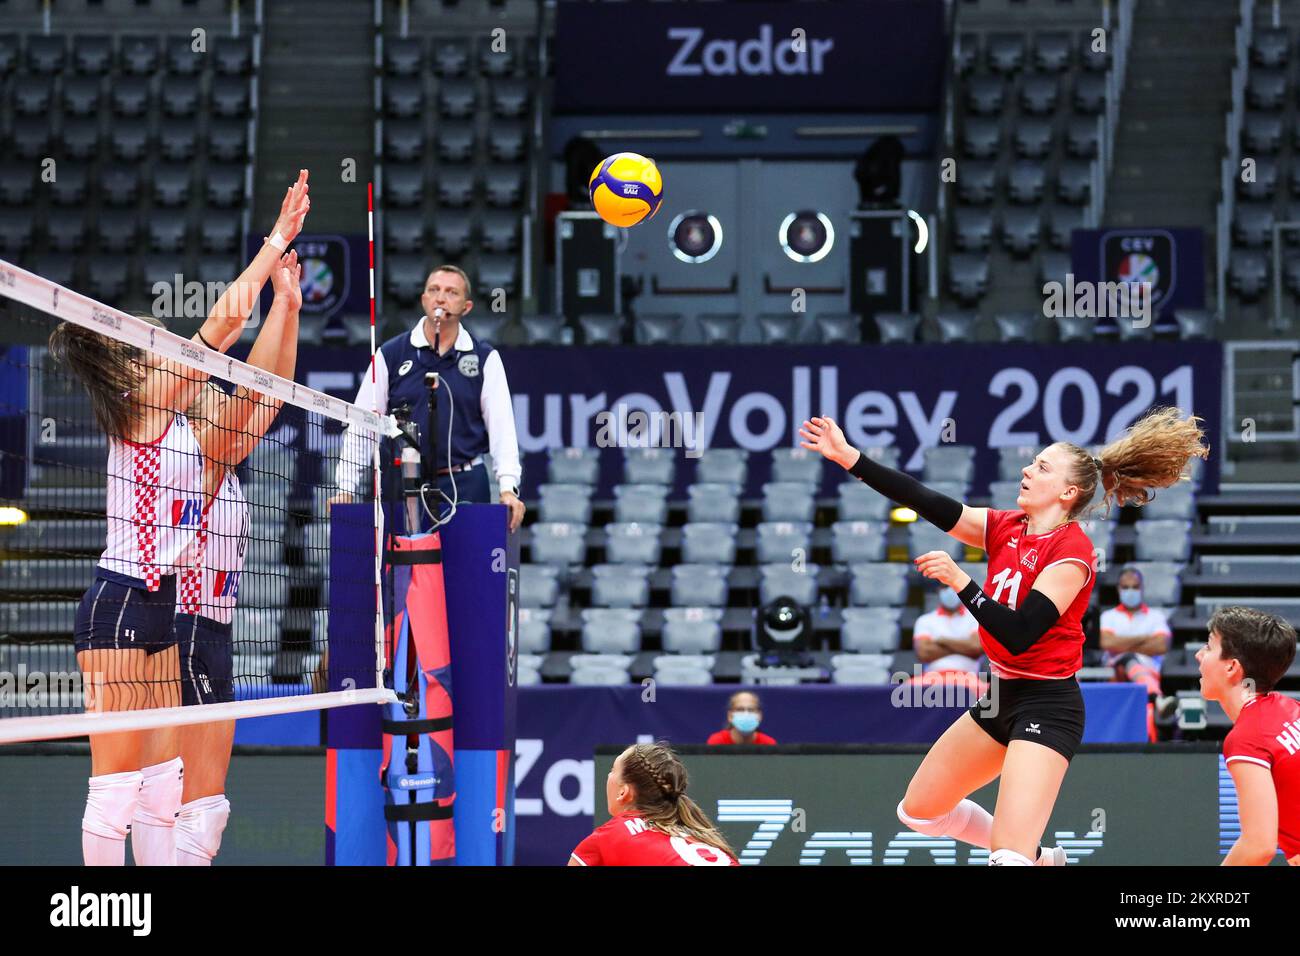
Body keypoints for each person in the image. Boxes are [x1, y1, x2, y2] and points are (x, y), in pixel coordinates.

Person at [800, 407, 1208, 866]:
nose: (1027, 470)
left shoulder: (1072, 551)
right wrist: (851, 458)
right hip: (1001, 697)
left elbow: (1020, 634)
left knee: (1005, 859)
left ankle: (1019, 853)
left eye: (1042, 467)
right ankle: (1037, 856)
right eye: (1032, 463)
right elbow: (925, 499)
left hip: (1048, 705)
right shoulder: (1007, 527)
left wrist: (962, 582)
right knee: (918, 813)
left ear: (1068, 492)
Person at [50, 170, 310, 866]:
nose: (163, 347)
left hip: (163, 604)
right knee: (117, 794)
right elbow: (219, 330)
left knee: (166, 790)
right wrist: (273, 242)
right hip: (121, 595)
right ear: (136, 368)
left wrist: (286, 307)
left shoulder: (192, 438)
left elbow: (264, 397)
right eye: (150, 343)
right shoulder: (140, 409)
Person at [172, 251, 304, 866]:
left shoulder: (220, 451)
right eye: (209, 389)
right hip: (183, 632)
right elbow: (254, 391)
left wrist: (290, 305)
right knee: (189, 805)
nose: (221, 392)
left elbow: (269, 395)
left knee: (197, 807)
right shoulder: (198, 452)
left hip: (211, 632)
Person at [333, 265, 525, 532]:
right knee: (401, 573)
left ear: (466, 307)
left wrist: (508, 487)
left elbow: (502, 428)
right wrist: (345, 488)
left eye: (451, 292)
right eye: (434, 290)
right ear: (423, 299)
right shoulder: (390, 354)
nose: (440, 297)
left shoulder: (484, 358)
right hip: (402, 482)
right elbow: (363, 425)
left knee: (464, 572)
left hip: (465, 482)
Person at [1196, 606, 1299, 865]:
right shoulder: (1289, 707)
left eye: (1209, 647)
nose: (1199, 655)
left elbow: (1258, 846)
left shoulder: (1246, 739)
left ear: (1231, 667)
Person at [568, 743, 738, 866]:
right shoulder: (691, 832)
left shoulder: (605, 838)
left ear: (623, 792)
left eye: (612, 770)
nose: (608, 775)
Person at [1099, 564, 1173, 740]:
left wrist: (1121, 643)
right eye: (1125, 587)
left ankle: (1153, 697)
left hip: (1149, 674)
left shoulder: (1156, 616)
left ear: (1142, 588)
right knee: (1127, 658)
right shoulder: (1108, 616)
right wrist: (1144, 640)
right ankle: (1158, 698)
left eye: (1134, 587)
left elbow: (1162, 645)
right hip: (1116, 678)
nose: (1130, 591)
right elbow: (1106, 642)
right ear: (1118, 589)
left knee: (1128, 658)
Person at [706, 691, 777, 745]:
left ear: (759, 716)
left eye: (751, 710)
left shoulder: (768, 744)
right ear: (730, 716)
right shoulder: (716, 742)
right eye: (740, 709)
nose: (746, 714)